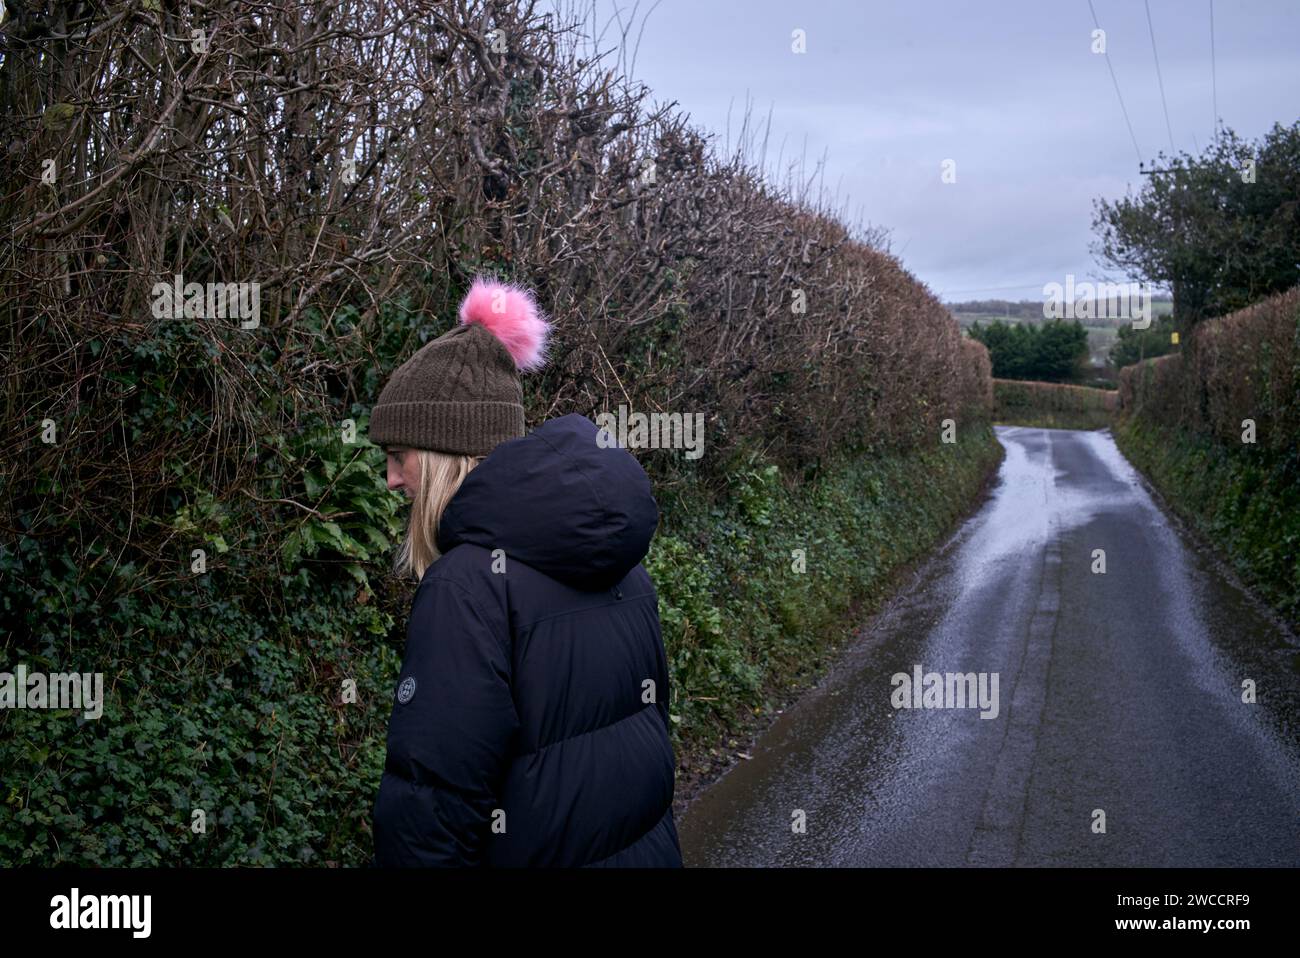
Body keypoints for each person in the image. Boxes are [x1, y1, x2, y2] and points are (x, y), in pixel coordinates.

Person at [366, 276, 684, 867]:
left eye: (398, 455)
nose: (390, 479)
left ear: (442, 454)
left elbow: (433, 811)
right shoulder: (625, 568)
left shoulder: (466, 586)